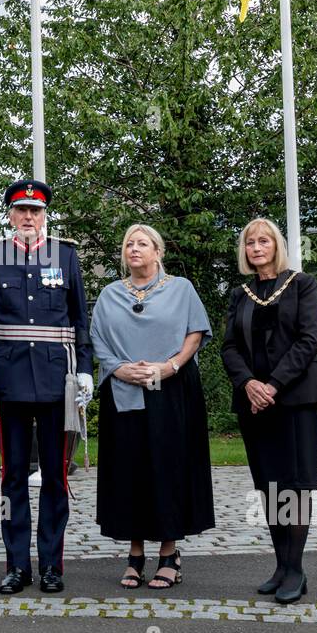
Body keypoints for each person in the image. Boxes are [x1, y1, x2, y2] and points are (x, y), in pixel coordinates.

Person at [0, 181, 93, 595]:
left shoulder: (65, 254)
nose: (28, 217)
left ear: (45, 215)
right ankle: (16, 566)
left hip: (55, 379)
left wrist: (84, 368)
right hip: (10, 379)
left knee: (55, 476)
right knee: (12, 476)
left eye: (35, 211)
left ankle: (50, 565)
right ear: (10, 213)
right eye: (21, 210)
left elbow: (79, 316)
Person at [91, 224, 215, 590]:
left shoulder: (181, 289)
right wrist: (118, 368)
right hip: (123, 391)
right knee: (129, 471)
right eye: (129, 243)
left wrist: (171, 365)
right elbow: (96, 338)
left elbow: (196, 332)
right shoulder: (110, 294)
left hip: (171, 390)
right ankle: (134, 555)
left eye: (142, 243)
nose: (134, 248)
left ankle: (168, 553)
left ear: (158, 251)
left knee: (167, 469)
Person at [221, 217, 317, 604]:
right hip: (253, 403)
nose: (257, 247)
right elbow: (229, 346)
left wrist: (273, 384)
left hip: (294, 399)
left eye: (264, 241)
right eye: (250, 243)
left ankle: (296, 569)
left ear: (276, 245)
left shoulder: (302, 284)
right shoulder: (241, 293)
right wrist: (248, 383)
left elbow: (309, 339)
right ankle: (281, 565)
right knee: (268, 486)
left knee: (295, 485)